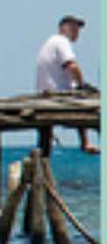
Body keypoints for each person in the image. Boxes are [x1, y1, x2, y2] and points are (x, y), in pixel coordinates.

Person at [35, 16, 97, 154]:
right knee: (87, 98)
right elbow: (72, 66)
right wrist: (81, 84)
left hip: (43, 93)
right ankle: (85, 143)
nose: (76, 32)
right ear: (63, 28)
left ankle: (44, 150)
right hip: (56, 93)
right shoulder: (61, 41)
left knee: (79, 92)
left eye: (77, 30)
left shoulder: (50, 42)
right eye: (73, 28)